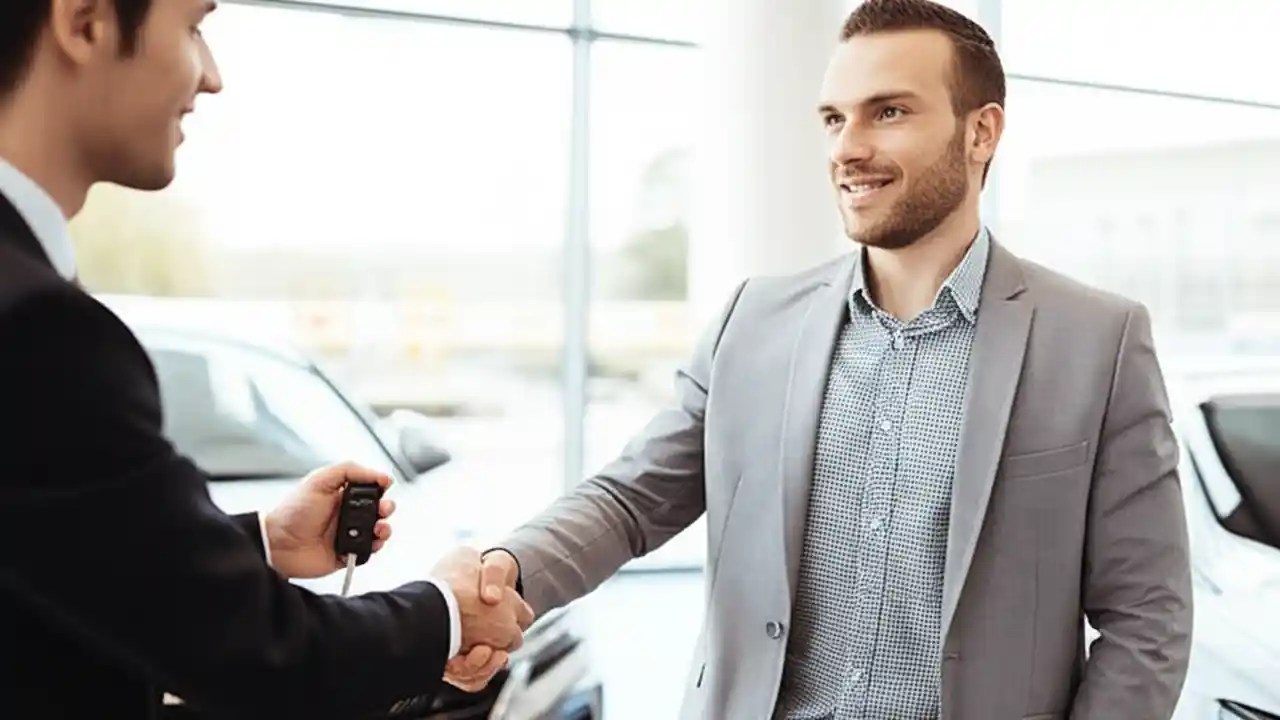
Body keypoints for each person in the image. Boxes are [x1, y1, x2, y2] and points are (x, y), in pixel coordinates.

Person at [445, 0, 1194, 718]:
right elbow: (633, 499)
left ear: (981, 132)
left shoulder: (1098, 341)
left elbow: (1147, 617)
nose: (848, 148)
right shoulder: (753, 322)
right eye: (835, 118)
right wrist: (508, 573)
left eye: (888, 112)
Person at [0, 1, 528, 717]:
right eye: (191, 28)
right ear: (86, 21)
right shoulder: (38, 327)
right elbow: (256, 654)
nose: (211, 77)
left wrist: (261, 541)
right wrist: (447, 615)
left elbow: (55, 551)